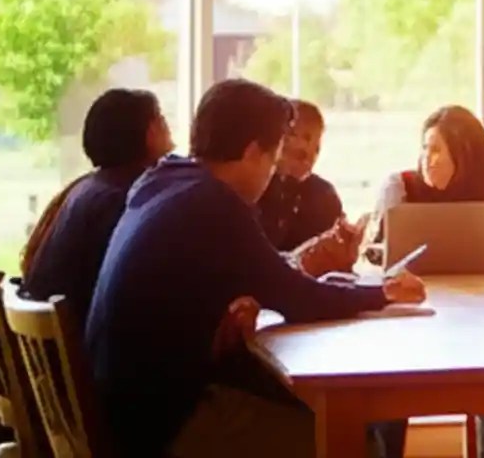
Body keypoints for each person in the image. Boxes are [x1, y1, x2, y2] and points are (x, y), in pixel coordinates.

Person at [84, 79, 426, 458]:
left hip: (121, 412)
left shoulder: (163, 181)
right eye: (273, 154)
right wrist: (382, 292)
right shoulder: (214, 202)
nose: (272, 170)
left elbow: (254, 272)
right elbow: (296, 297)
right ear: (251, 153)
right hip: (166, 425)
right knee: (355, 442)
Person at [370, 105, 484, 458]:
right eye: (424, 148)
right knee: (396, 380)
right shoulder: (400, 186)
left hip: (475, 314)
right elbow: (376, 253)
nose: (427, 158)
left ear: (463, 156)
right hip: (412, 316)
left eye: (437, 149)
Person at [20, 88, 174, 319]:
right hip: (89, 350)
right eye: (160, 117)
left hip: (58, 347)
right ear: (151, 132)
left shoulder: (83, 189)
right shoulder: (129, 199)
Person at [256, 99, 343, 252]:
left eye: (313, 141)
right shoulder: (256, 189)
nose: (305, 147)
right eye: (294, 134)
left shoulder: (324, 195)